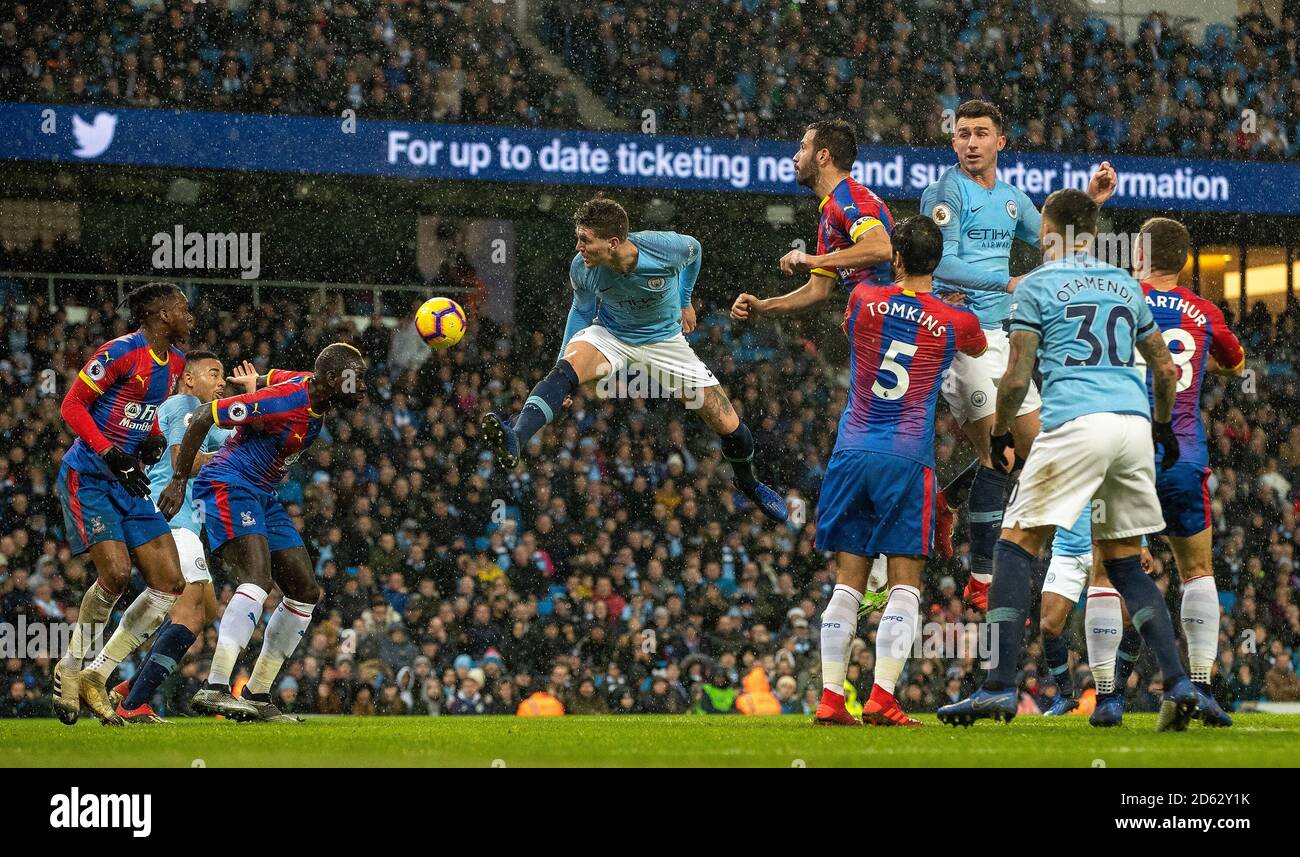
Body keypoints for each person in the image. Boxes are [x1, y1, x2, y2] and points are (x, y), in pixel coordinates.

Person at [937, 189, 1201, 732]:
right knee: (1126, 562)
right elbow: (1166, 370)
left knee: (1013, 546)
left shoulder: (1036, 285)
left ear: (1050, 231)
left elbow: (1014, 377)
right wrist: (1161, 425)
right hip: (1131, 427)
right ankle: (1179, 684)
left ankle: (997, 688)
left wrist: (1006, 428)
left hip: (1075, 422)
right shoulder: (1127, 284)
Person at [919, 100, 1117, 609]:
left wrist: (1091, 203)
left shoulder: (1010, 198)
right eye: (962, 134)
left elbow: (1056, 241)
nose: (970, 143)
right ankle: (981, 577)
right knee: (1003, 454)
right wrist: (1006, 280)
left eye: (981, 134)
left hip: (1002, 335)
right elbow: (941, 262)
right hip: (963, 336)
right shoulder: (945, 193)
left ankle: (949, 501)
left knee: (1025, 455)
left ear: (1000, 141)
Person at [481, 195, 786, 522]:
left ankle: (749, 483)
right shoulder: (582, 268)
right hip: (612, 334)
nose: (578, 247)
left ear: (612, 243)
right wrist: (563, 366)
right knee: (565, 371)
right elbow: (582, 311)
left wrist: (685, 300)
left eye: (585, 240)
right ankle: (516, 436)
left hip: (665, 341)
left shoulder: (664, 249)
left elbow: (694, 251)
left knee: (731, 427)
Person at [814, 216, 985, 727]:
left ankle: (829, 697)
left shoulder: (864, 300)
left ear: (896, 259)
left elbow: (855, 325)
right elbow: (976, 347)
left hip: (853, 451)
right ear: (939, 262)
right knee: (904, 585)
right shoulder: (956, 321)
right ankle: (881, 698)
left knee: (848, 582)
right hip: (908, 459)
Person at [1087, 217, 1244, 728]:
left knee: (1105, 572)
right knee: (1197, 570)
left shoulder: (1116, 294)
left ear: (1139, 255)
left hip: (1124, 449)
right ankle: (1197, 689)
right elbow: (1235, 363)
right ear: (1182, 260)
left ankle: (1108, 697)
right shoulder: (1202, 310)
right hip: (1182, 453)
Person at [158, 343, 368, 722]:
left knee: (305, 591)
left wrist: (253, 382)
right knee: (257, 579)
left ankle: (256, 694)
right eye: (357, 378)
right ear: (336, 380)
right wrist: (177, 480)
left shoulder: (304, 385)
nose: (363, 387)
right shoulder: (286, 400)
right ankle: (216, 686)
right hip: (228, 484)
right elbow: (206, 415)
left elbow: (267, 378)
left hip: (262, 495)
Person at [52, 282, 192, 725]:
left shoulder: (176, 364)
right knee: (115, 573)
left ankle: (99, 673)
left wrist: (150, 441)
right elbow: (72, 407)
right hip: (90, 477)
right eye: (183, 311)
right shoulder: (119, 352)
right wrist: (113, 454)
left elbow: (141, 413)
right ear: (162, 314)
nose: (190, 318)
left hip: (129, 480)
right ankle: (70, 669)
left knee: (171, 583)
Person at [100, 352, 255, 723]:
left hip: (187, 523)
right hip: (169, 519)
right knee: (188, 611)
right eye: (213, 374)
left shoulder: (207, 417)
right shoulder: (184, 405)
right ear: (188, 380)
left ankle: (127, 687)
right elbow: (179, 460)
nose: (221, 382)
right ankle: (133, 702)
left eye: (222, 376)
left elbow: (242, 441)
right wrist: (230, 461)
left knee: (205, 612)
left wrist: (249, 395)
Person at [729, 118, 894, 321]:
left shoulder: (850, 199)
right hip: (877, 323)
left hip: (895, 321)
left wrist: (813, 260)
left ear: (823, 156)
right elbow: (817, 291)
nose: (795, 157)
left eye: (803, 148)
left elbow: (882, 247)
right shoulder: (830, 211)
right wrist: (763, 306)